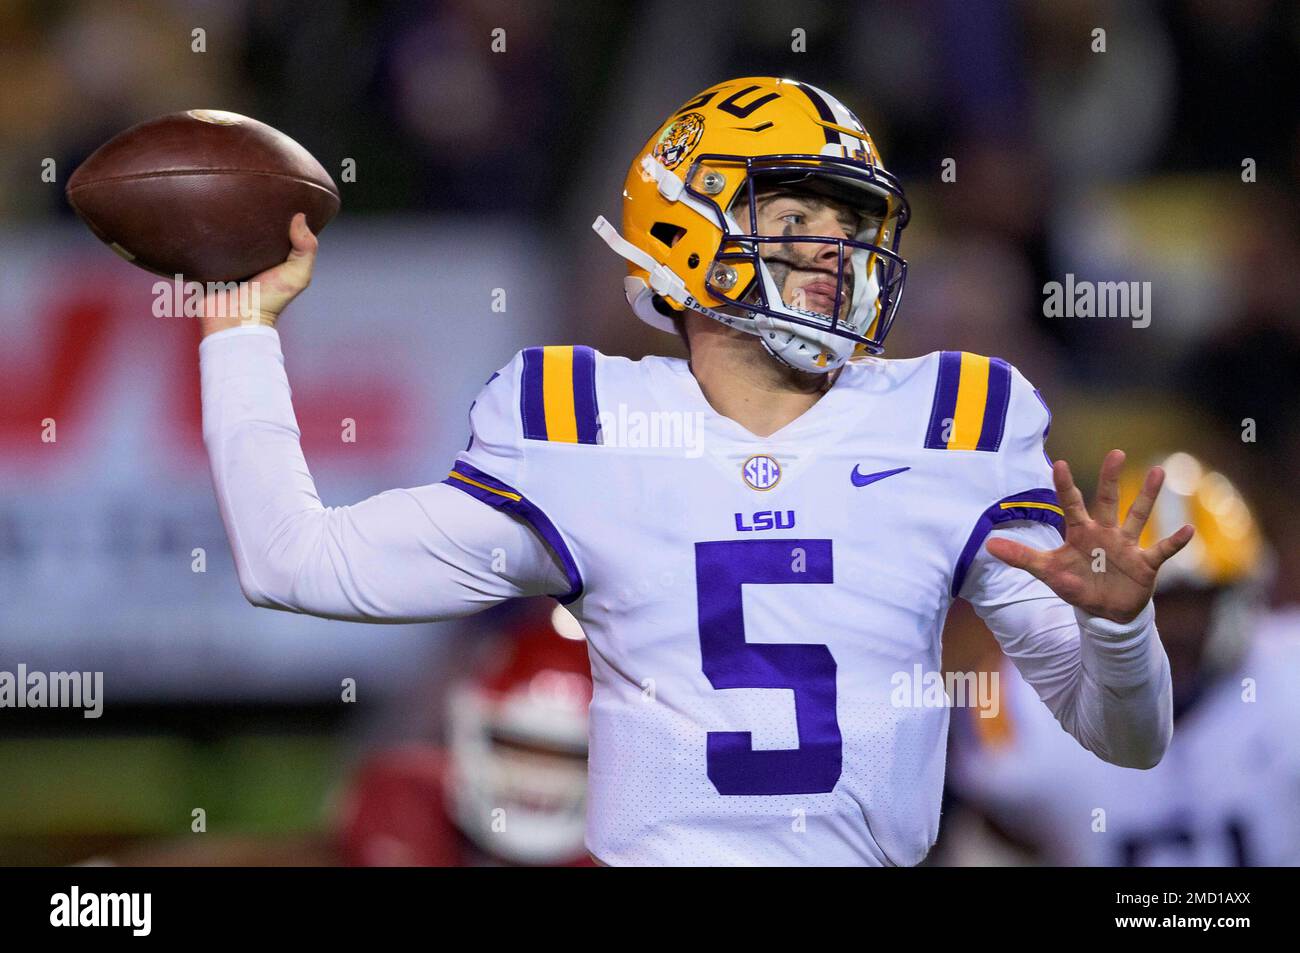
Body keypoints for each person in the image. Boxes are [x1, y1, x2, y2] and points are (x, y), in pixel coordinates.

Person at [198, 77, 1192, 865]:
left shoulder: (951, 420)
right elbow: (293, 562)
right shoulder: (578, 423)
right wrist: (239, 332)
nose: (837, 249)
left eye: (852, 223)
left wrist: (1117, 629)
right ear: (686, 223)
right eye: (803, 214)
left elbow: (1127, 736)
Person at [946, 454, 1300, 866]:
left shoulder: (1286, 676)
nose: (1180, 628)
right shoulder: (1028, 699)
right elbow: (994, 826)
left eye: (1197, 602)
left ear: (1241, 597)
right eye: (1158, 603)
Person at [339, 605, 593, 867]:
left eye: (565, 754)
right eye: (515, 745)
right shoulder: (407, 808)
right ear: (468, 732)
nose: (537, 777)